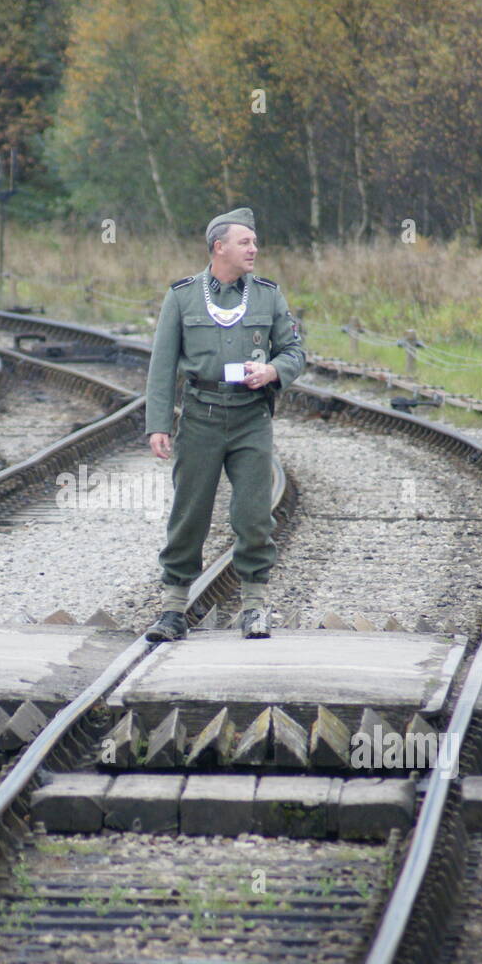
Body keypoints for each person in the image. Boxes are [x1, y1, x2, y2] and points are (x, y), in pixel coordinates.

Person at [144, 207, 305, 641]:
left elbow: (294, 351)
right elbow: (161, 366)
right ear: (219, 247)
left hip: (251, 416)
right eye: (245, 242)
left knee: (254, 515)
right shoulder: (182, 296)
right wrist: (158, 424)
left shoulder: (269, 296)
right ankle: (173, 608)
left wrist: (273, 372)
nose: (254, 249)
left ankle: (254, 607)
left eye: (254, 242)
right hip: (201, 415)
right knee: (189, 513)